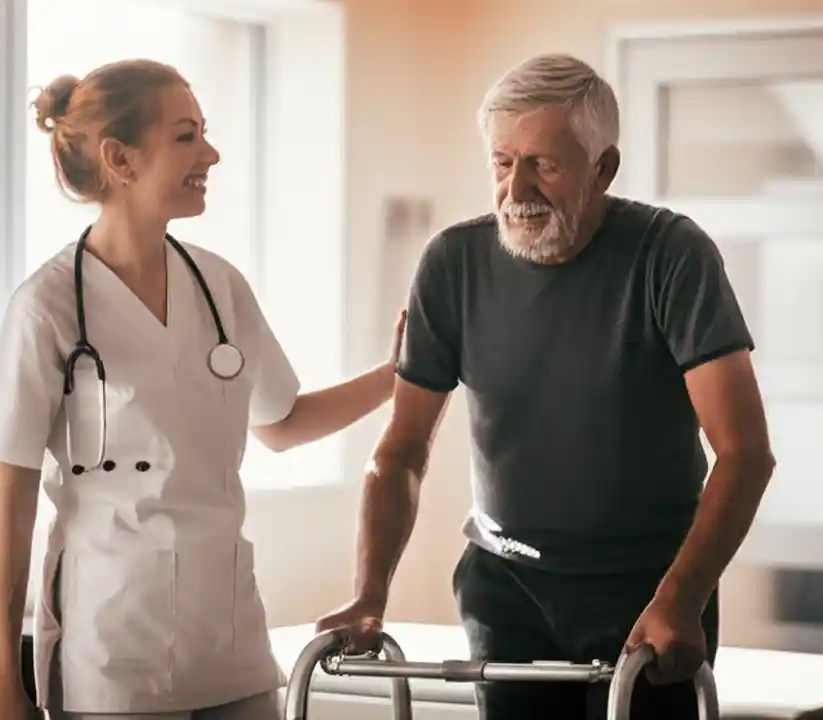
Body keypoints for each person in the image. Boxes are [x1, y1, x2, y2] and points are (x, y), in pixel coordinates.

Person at [315, 53, 776, 720]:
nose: (516, 190)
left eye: (545, 165)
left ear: (604, 168)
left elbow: (744, 452)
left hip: (648, 586)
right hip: (507, 591)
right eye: (503, 163)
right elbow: (402, 449)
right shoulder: (452, 264)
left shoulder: (671, 256)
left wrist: (681, 598)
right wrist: (369, 593)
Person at [0, 59, 405, 720]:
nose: (212, 153)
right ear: (121, 158)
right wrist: (2, 681)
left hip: (229, 638)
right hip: (113, 646)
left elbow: (283, 424)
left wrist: (397, 378)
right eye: (185, 136)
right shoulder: (49, 307)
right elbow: (12, 507)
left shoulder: (219, 285)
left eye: (204, 132)